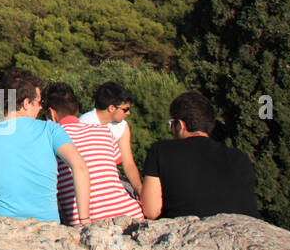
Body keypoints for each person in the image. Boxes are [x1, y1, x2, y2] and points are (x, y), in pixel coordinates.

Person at [0, 68, 91, 224]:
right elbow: (80, 167)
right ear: (25, 104)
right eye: (38, 102)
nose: (41, 107)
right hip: (47, 225)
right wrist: (84, 220)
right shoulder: (50, 130)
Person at [141, 92, 259, 220]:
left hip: (188, 232)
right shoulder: (240, 158)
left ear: (180, 125)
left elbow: (152, 211)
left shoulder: (160, 150)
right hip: (246, 232)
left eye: (171, 124)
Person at [43, 82, 144, 225]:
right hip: (129, 213)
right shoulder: (104, 131)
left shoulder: (50, 141)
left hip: (87, 221)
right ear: (77, 109)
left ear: (52, 114)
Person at [79, 82, 142, 199]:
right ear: (112, 108)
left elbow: (128, 163)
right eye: (125, 109)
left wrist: (139, 188)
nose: (129, 113)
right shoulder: (83, 124)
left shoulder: (122, 126)